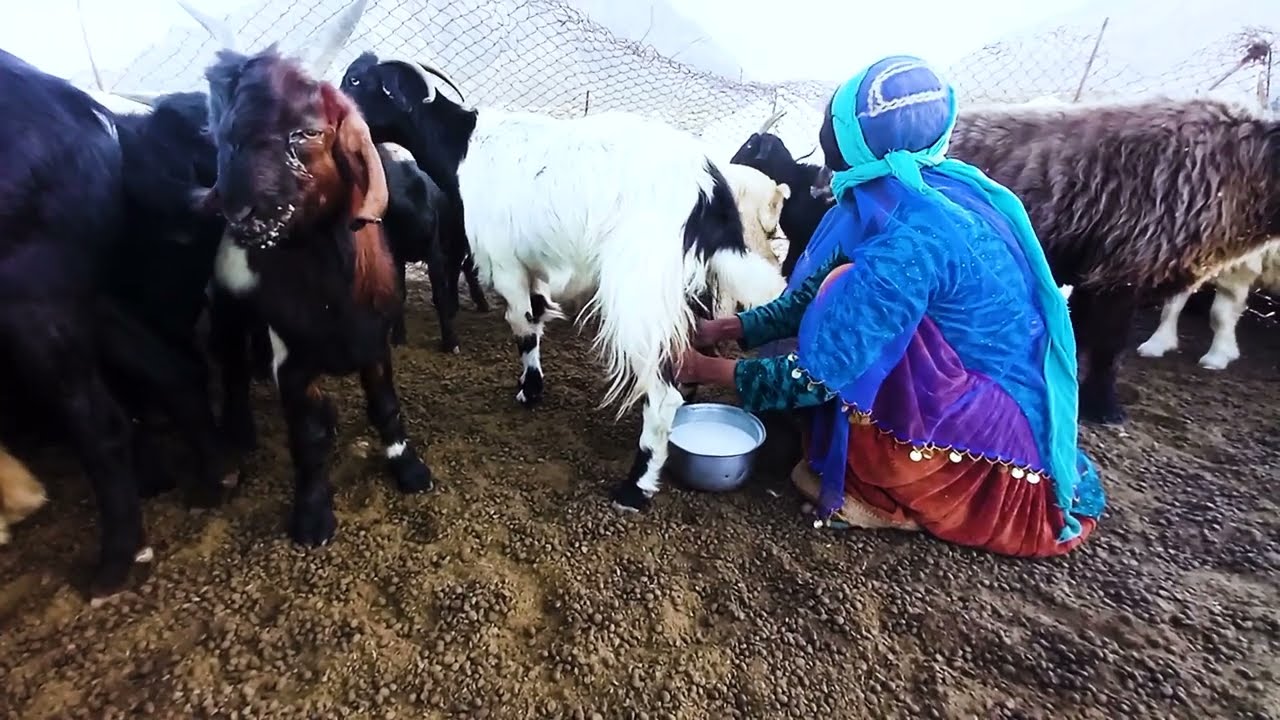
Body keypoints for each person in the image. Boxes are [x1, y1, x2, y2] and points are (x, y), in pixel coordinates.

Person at [677, 56, 1105, 557]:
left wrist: (703, 366)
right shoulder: (907, 191)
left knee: (848, 300)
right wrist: (729, 327)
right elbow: (807, 297)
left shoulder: (910, 238)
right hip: (978, 382)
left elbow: (819, 375)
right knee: (841, 293)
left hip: (988, 429)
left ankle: (889, 495)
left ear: (851, 150)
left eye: (833, 137)